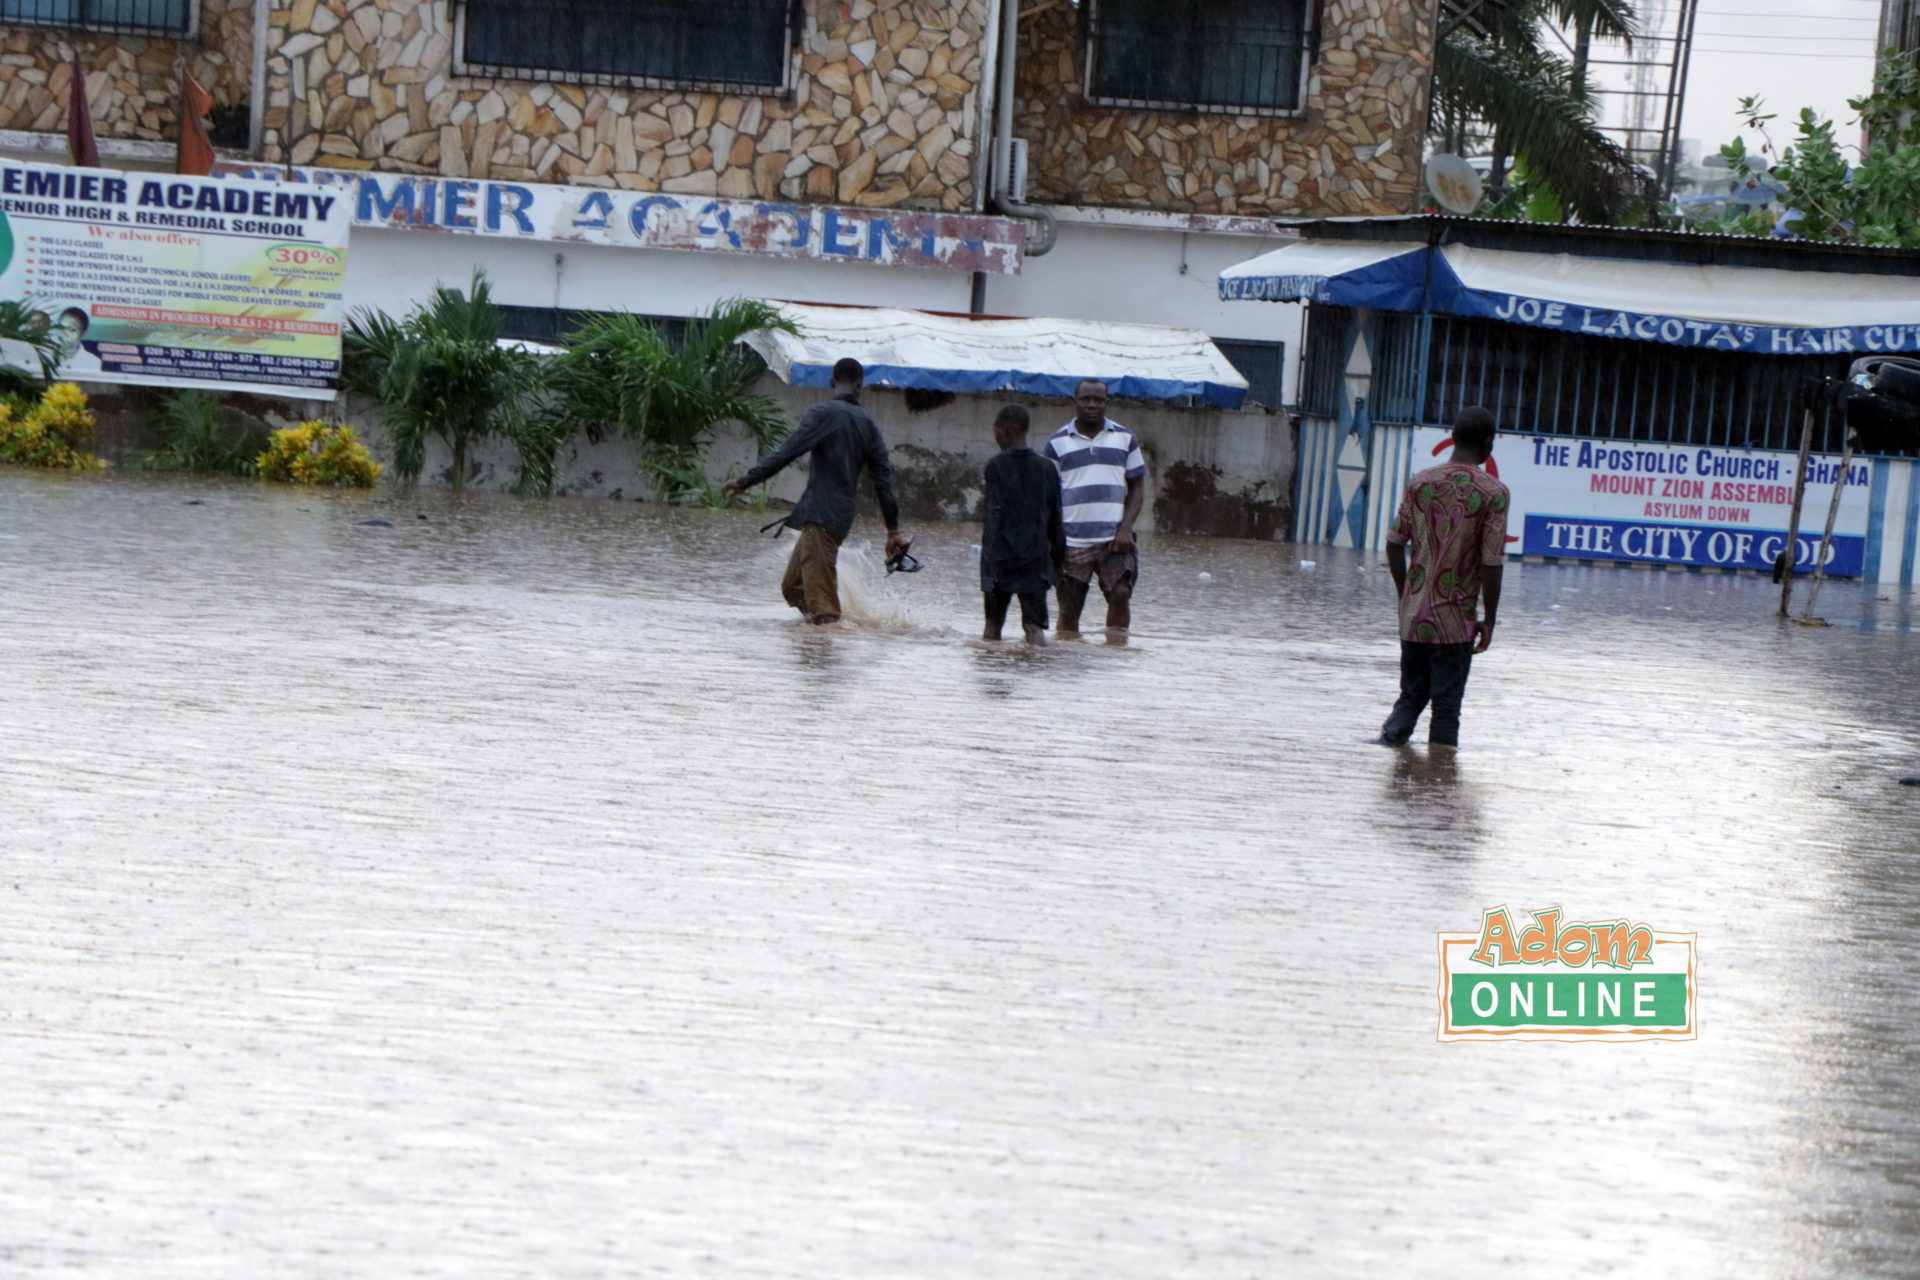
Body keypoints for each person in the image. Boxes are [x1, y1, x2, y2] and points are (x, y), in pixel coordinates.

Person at [721, 357, 907, 625]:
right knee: (793, 587)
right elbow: (883, 483)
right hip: (839, 517)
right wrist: (893, 531)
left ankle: (827, 647)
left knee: (823, 608)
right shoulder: (869, 425)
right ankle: (824, 641)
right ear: (859, 384)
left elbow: (788, 451)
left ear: (832, 382)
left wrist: (746, 481)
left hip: (821, 516)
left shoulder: (823, 413)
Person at [1376, 405, 1509, 748]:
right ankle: (1439, 788)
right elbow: (1491, 562)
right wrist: (1489, 619)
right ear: (1488, 444)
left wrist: (1407, 595)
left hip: (1414, 614)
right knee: (1446, 710)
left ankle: (1389, 752)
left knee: (1410, 697)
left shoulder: (1420, 483)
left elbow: (1393, 545)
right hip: (1454, 619)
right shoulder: (1492, 493)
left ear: (1452, 437)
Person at [1042, 378, 1146, 633]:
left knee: (1121, 593)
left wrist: (1126, 527)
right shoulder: (1056, 444)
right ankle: (1068, 658)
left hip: (1114, 540)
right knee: (1069, 609)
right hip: (1072, 542)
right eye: (1086, 399)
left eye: (1098, 400)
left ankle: (1115, 654)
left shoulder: (1125, 438)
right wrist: (1050, 541)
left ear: (1106, 403)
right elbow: (1048, 496)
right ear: (1075, 402)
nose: (1092, 405)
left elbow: (1138, 487)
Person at [980, 404, 1064, 646]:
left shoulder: (996, 466)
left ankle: (991, 672)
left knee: (992, 628)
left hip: (1001, 560)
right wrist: (1059, 561)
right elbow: (1056, 519)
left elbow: (992, 517)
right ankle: (1037, 675)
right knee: (1034, 628)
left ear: (1006, 430)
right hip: (1035, 561)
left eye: (996, 430)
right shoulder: (1047, 467)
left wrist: (987, 567)